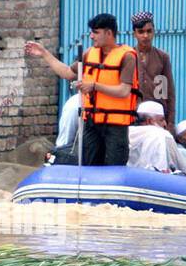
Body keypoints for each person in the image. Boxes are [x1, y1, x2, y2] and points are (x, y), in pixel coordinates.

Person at [25, 13, 138, 166]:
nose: (91, 36)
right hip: (92, 124)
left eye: (96, 32)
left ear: (109, 33)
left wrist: (94, 86)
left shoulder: (127, 57)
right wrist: (44, 53)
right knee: (88, 164)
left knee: (113, 166)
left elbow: (124, 91)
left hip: (115, 127)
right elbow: (66, 72)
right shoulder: (89, 54)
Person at [131, 11, 175, 127]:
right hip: (133, 116)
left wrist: (170, 123)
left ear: (154, 32)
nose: (145, 36)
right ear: (134, 34)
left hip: (156, 116)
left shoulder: (162, 57)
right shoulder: (128, 56)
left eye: (149, 31)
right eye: (141, 32)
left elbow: (168, 92)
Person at [127, 102, 186, 174]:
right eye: (161, 120)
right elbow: (183, 168)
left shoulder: (126, 133)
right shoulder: (163, 135)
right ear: (149, 121)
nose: (165, 124)